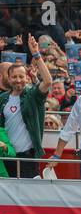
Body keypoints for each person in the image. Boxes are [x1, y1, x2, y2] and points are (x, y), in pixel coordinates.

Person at [3, 34, 52, 178]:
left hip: (28, 157)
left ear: (27, 78)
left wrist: (36, 54)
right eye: (14, 77)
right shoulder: (2, 99)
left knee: (29, 197)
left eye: (21, 76)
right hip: (7, 156)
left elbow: (48, 82)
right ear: (9, 79)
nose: (18, 80)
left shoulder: (32, 96)